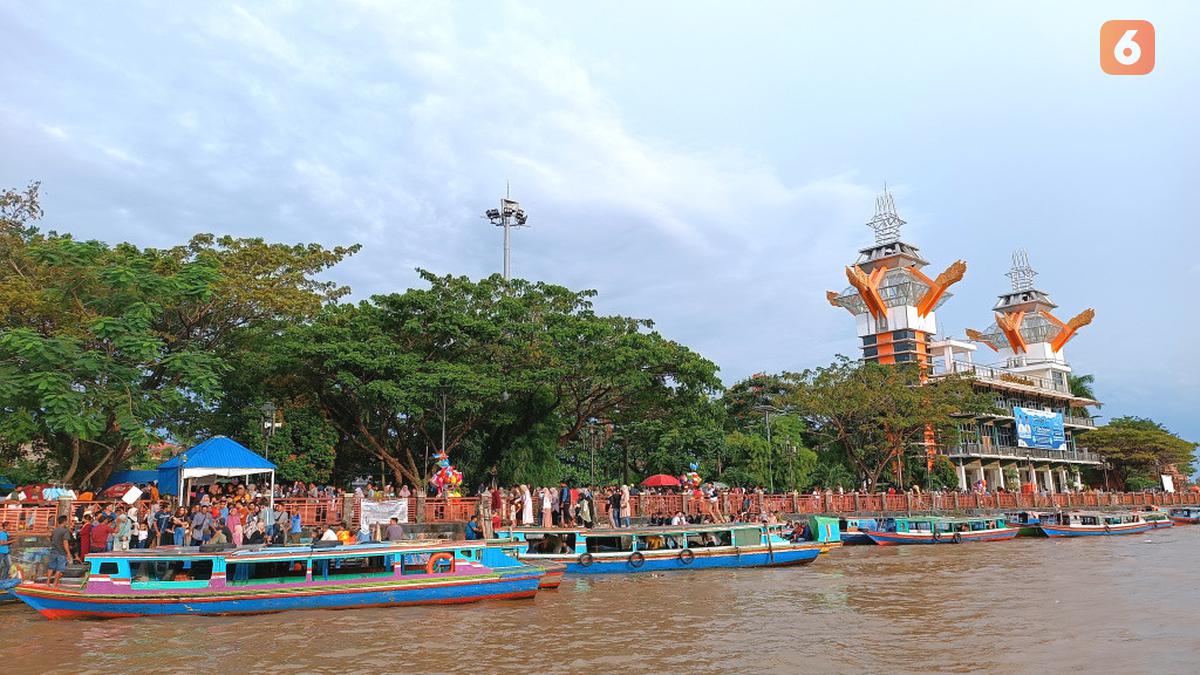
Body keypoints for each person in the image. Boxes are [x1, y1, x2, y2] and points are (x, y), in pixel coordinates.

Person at [48, 515, 73, 587]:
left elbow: (51, 539)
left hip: (53, 551)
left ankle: (47, 583)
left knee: (51, 567)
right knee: (59, 569)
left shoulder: (55, 530)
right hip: (61, 552)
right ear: (64, 521)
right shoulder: (65, 531)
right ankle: (55, 584)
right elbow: (65, 543)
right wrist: (68, 553)